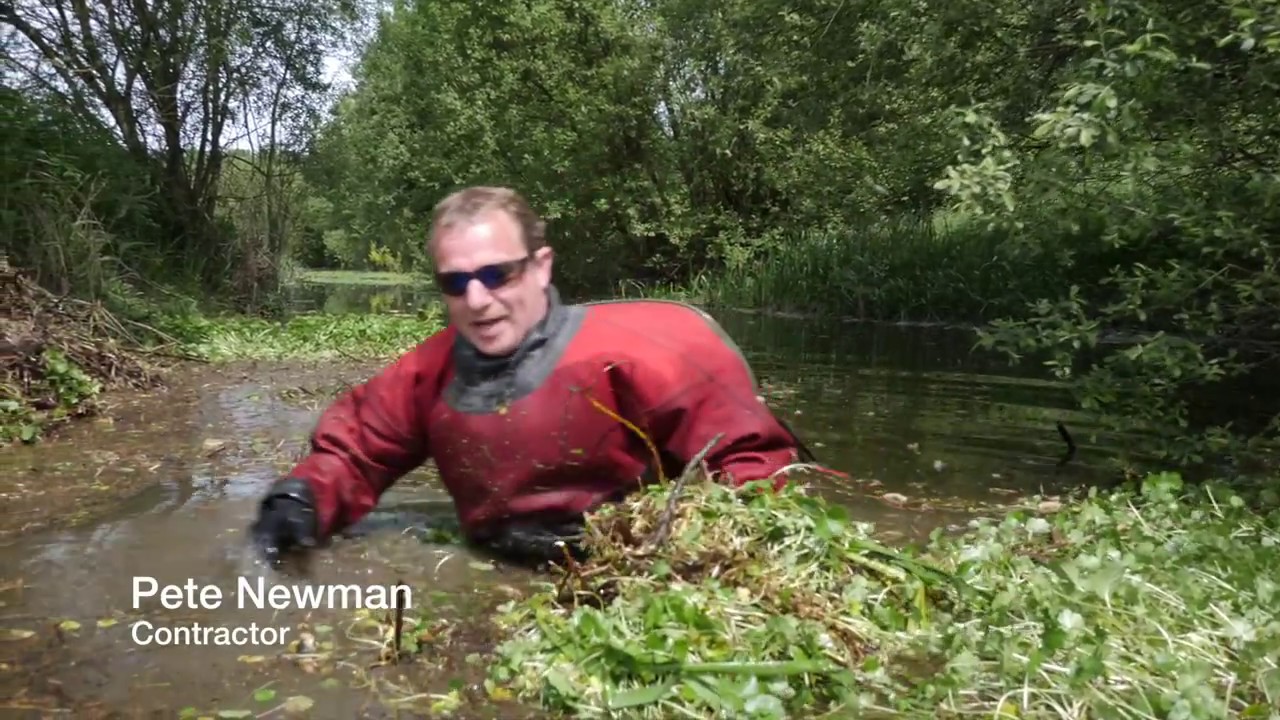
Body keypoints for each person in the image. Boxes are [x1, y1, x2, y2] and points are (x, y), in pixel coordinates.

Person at [250, 186, 832, 567]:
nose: (477, 300)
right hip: (499, 557)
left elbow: (756, 469)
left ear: (541, 266)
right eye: (455, 282)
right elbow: (355, 454)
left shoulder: (650, 352)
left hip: (632, 564)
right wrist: (301, 497)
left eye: (496, 274)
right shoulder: (427, 374)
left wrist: (703, 559)